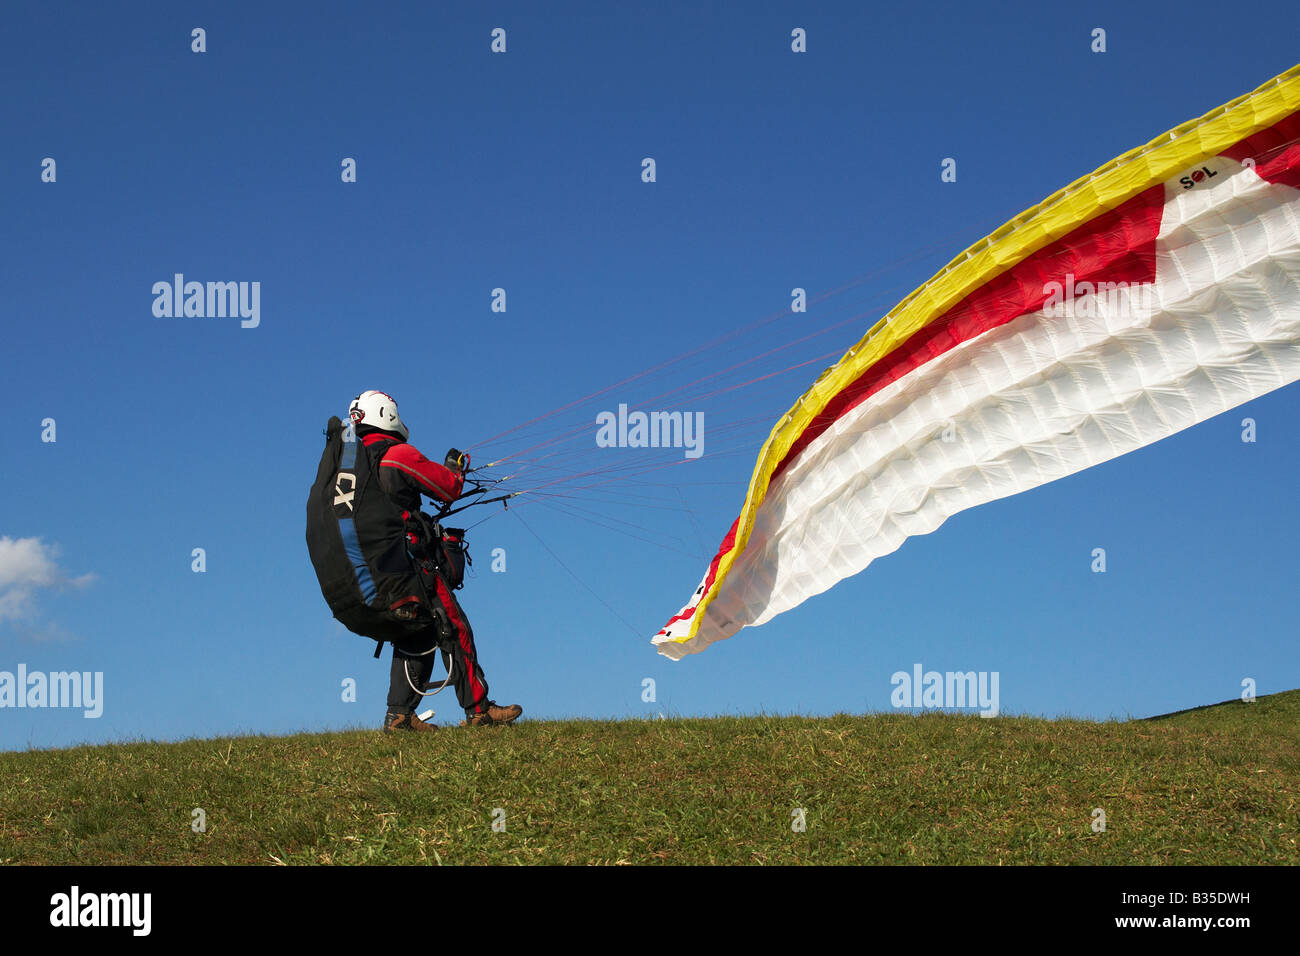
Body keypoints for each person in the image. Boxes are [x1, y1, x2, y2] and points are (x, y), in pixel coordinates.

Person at [346, 390, 522, 732]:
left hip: (368, 569)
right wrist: (454, 467)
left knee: (417, 629)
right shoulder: (397, 455)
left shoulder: (351, 466)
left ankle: (399, 716)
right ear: (388, 415)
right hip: (409, 564)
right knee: (452, 625)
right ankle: (479, 710)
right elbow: (448, 488)